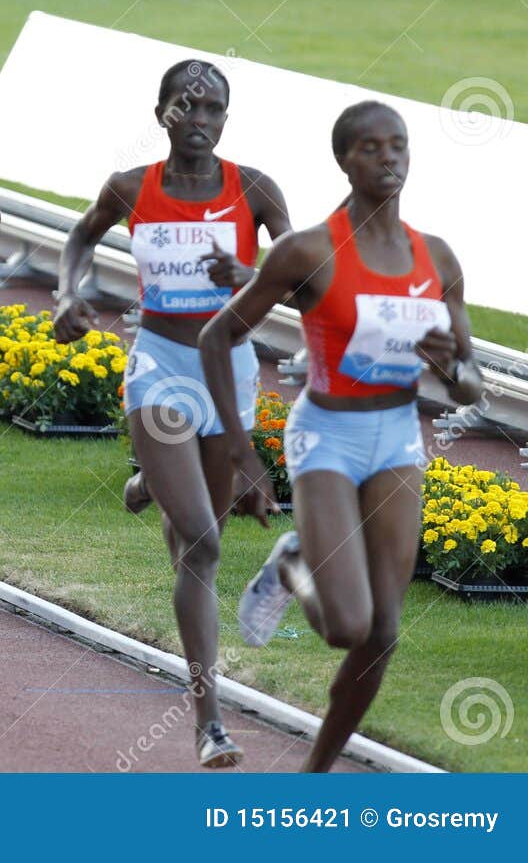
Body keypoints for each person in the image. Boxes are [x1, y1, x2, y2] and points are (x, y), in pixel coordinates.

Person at [200, 100, 481, 772]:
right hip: (326, 433)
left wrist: (452, 367)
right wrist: (243, 456)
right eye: (372, 147)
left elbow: (471, 386)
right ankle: (294, 564)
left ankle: (314, 772)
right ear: (344, 159)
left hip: (397, 435)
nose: (389, 157)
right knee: (347, 625)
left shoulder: (436, 257)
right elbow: (219, 337)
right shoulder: (309, 250)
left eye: (399, 145)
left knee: (382, 632)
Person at [54, 59, 290, 767]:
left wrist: (252, 279)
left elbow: (312, 274)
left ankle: (152, 480)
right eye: (185, 107)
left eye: (212, 109)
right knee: (202, 547)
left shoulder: (254, 189)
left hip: (230, 372)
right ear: (162, 114)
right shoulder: (133, 188)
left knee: (202, 534)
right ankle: (208, 722)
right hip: (159, 366)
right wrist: (71, 292)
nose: (199, 120)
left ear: (225, 118)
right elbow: (78, 239)